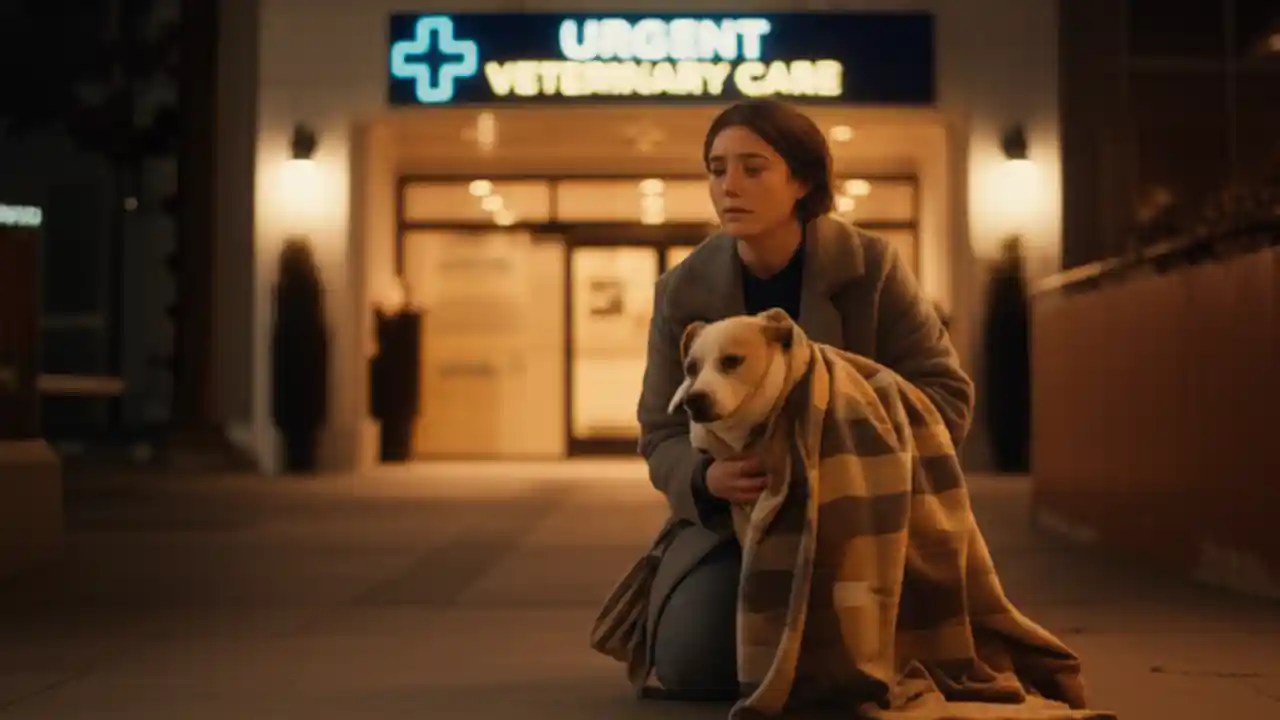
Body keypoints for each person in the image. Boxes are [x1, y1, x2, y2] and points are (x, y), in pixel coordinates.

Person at [635, 100, 975, 699]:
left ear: (803, 181)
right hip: (736, 522)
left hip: (864, 522)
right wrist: (706, 479)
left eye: (753, 168)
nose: (729, 186)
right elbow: (659, 431)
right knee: (694, 662)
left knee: (863, 671)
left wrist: (836, 444)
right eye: (717, 169)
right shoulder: (682, 289)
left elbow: (946, 397)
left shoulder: (870, 268)